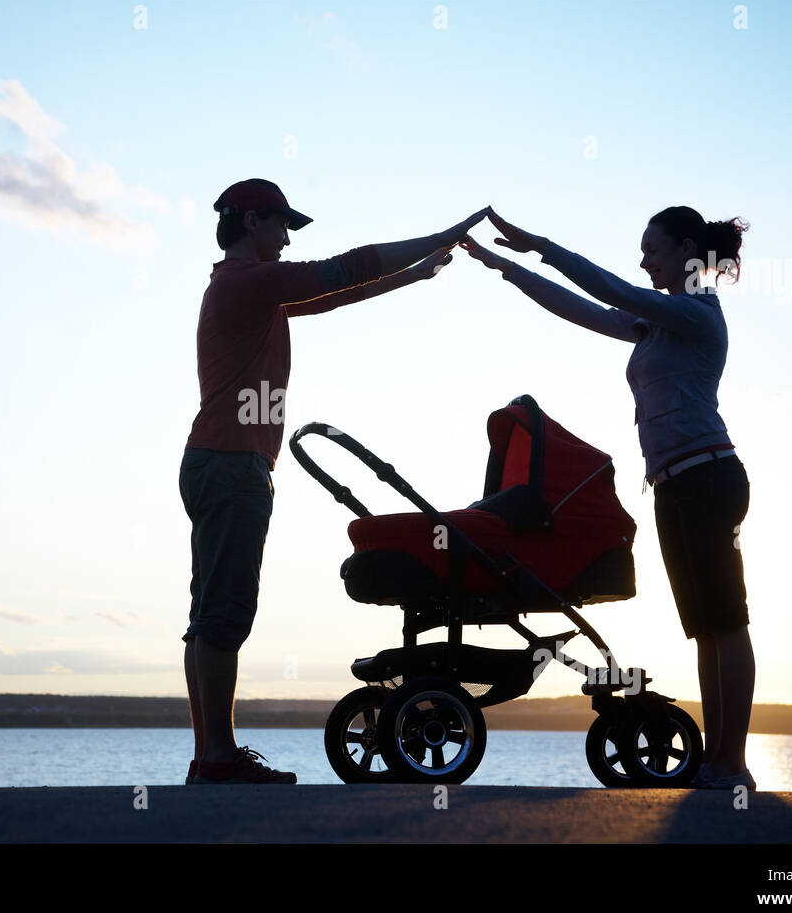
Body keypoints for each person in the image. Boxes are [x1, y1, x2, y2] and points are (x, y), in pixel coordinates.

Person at [182, 178, 488, 784]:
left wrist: (415, 274)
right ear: (250, 221)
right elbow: (341, 268)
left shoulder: (252, 292)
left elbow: (330, 294)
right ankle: (214, 756)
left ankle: (214, 753)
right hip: (232, 464)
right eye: (280, 224)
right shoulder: (249, 281)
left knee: (217, 613)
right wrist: (444, 234)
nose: (286, 236)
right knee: (222, 614)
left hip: (226, 462)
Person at [459, 206, 755, 790]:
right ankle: (716, 758)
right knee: (703, 627)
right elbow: (586, 311)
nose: (644, 261)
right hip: (672, 484)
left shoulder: (694, 312)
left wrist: (541, 242)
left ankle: (733, 761)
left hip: (708, 477)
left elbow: (610, 288)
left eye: (654, 249)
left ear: (688, 250)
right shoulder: (656, 323)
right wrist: (504, 267)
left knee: (727, 621)